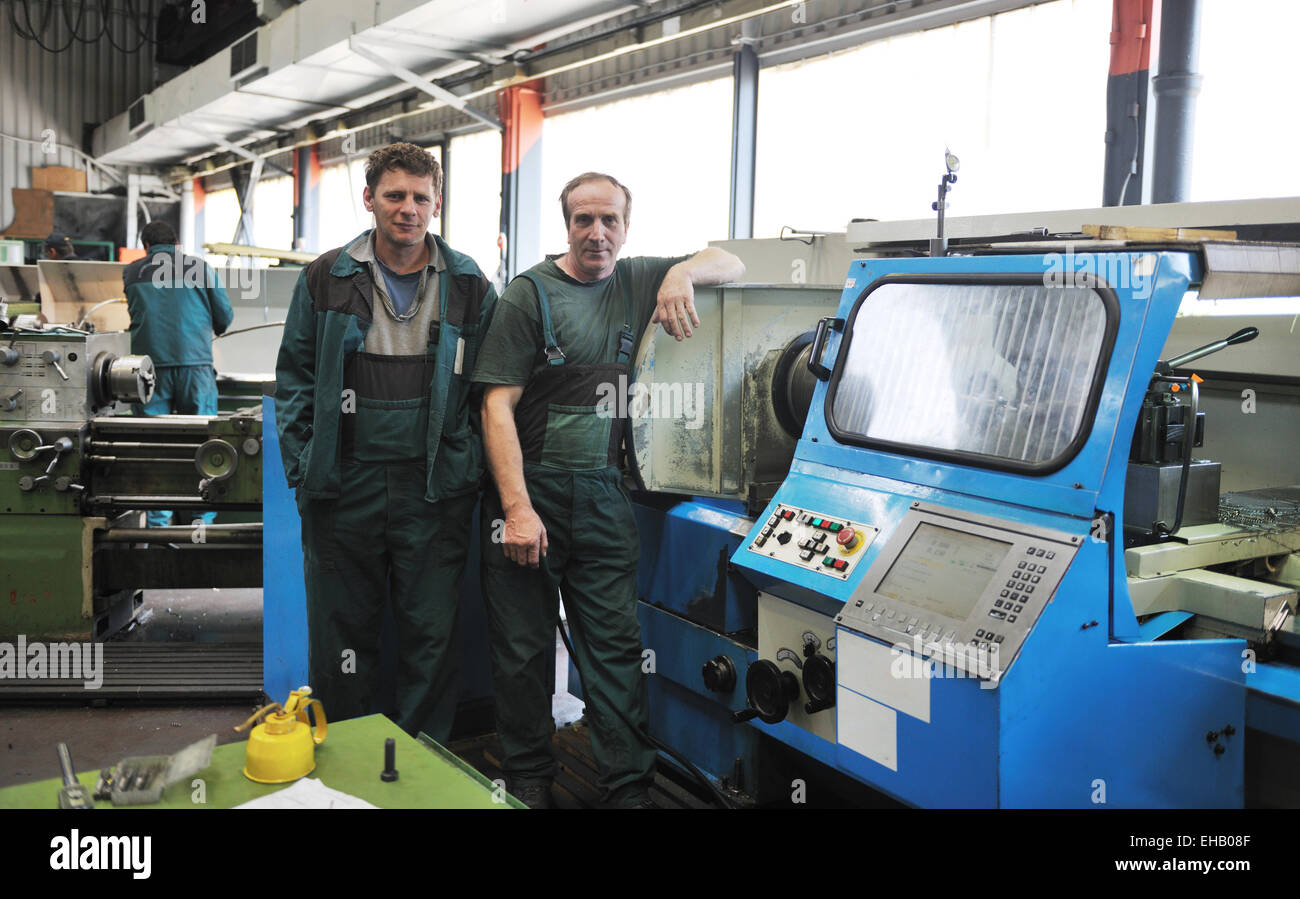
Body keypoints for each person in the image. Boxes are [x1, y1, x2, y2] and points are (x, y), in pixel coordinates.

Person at [473, 172, 745, 808]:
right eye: (583, 221)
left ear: (626, 226)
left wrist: (682, 274)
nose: (597, 234)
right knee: (523, 653)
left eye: (610, 222)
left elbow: (729, 261)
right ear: (566, 225)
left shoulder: (638, 277)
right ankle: (530, 780)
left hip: (602, 497)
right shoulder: (528, 297)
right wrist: (516, 509)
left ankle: (627, 785)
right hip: (530, 496)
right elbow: (495, 407)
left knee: (615, 650)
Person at [274, 142, 497, 743]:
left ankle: (423, 757)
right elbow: (294, 375)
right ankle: (346, 752)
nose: (408, 209)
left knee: (431, 633)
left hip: (434, 489)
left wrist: (467, 461)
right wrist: (302, 463)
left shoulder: (470, 283)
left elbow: (490, 390)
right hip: (343, 486)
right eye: (395, 195)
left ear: (437, 203)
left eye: (421, 197)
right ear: (369, 198)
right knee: (341, 633)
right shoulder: (326, 276)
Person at [123, 221, 233, 527]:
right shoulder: (199, 267)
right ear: (176, 244)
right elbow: (224, 317)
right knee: (206, 445)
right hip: (195, 370)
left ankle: (158, 527)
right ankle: (202, 523)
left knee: (156, 448)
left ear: (146, 246)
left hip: (149, 371)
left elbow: (136, 316)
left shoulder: (131, 272)